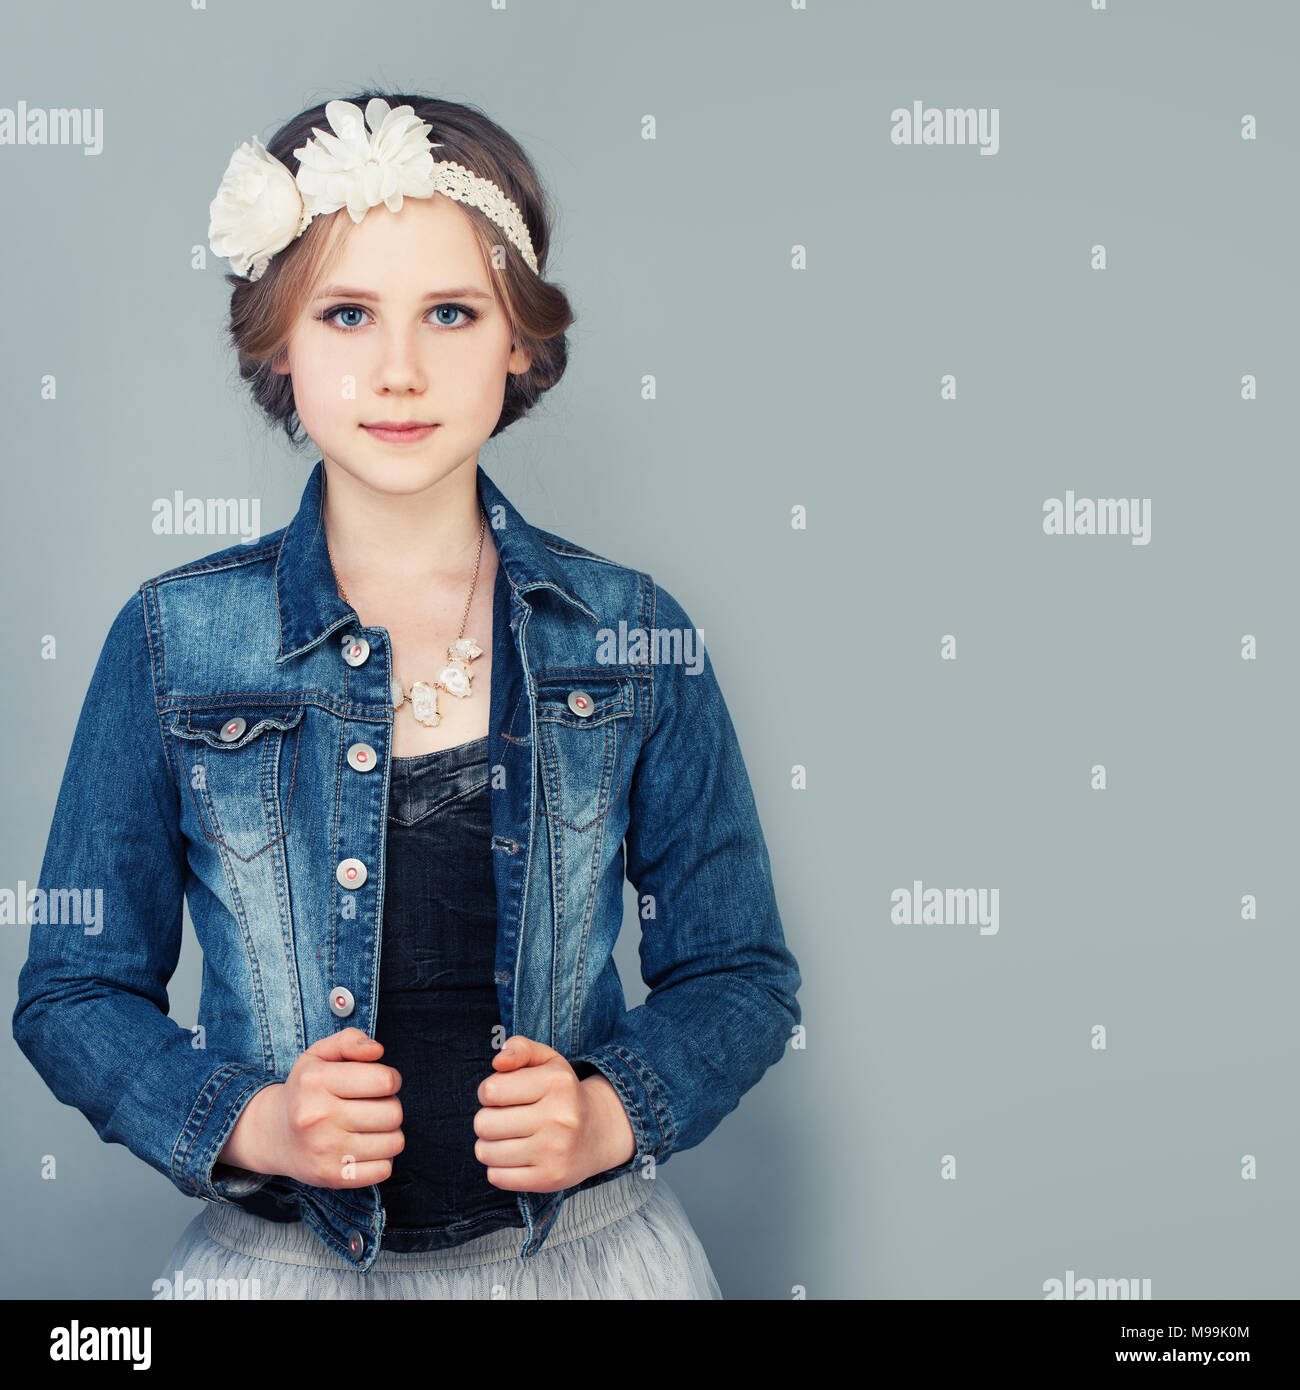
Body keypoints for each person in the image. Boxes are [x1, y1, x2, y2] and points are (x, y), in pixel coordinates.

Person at [12, 91, 802, 1300]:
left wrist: (608, 1114)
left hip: (585, 1266)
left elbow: (740, 970)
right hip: (280, 1267)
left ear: (518, 340)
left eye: (448, 312)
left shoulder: (633, 632)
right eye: (345, 313)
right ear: (280, 340)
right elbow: (72, 989)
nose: (398, 367)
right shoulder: (175, 640)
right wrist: (254, 1123)